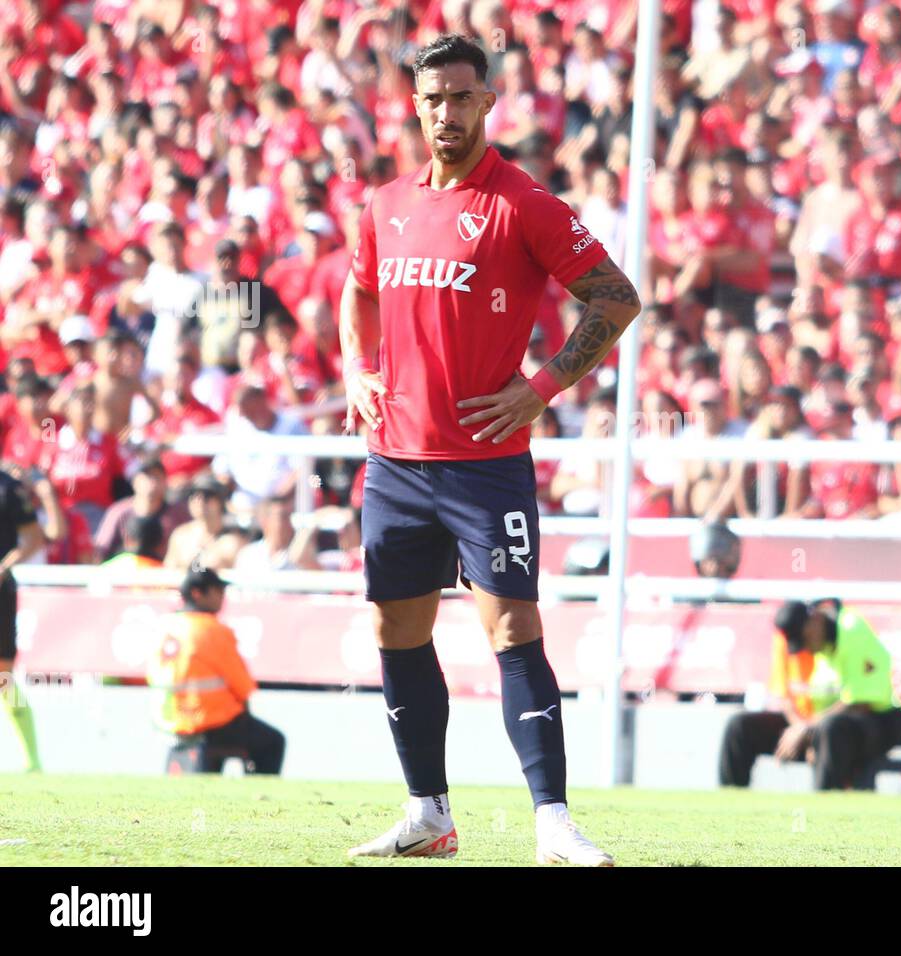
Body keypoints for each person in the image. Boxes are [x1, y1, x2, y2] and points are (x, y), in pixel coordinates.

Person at [340, 36, 640, 864]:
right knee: (397, 630)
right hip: (395, 462)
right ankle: (428, 813)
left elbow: (617, 298)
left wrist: (540, 389)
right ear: (415, 104)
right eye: (433, 97)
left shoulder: (524, 202)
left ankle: (552, 823)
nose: (447, 111)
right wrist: (355, 368)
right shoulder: (386, 203)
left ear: (487, 102)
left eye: (462, 96)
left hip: (483, 466)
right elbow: (357, 290)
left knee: (512, 630)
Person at [719, 599, 901, 791]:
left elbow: (859, 703)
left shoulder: (852, 629)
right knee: (740, 726)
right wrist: (806, 730)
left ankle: (824, 808)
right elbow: (790, 700)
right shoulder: (819, 642)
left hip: (879, 723)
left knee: (831, 728)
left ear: (816, 620)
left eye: (805, 638)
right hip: (821, 725)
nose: (805, 648)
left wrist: (809, 729)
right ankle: (730, 802)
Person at [146, 567, 285, 775]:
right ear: (197, 594)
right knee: (273, 742)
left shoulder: (165, 626)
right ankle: (258, 800)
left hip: (168, 721)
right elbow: (243, 686)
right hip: (207, 722)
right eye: (218, 591)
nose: (223, 597)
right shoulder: (212, 630)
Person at [0, 470, 46, 772]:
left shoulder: (9, 489)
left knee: (3, 676)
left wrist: (3, 567)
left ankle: (32, 761)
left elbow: (33, 538)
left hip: (1, 587)